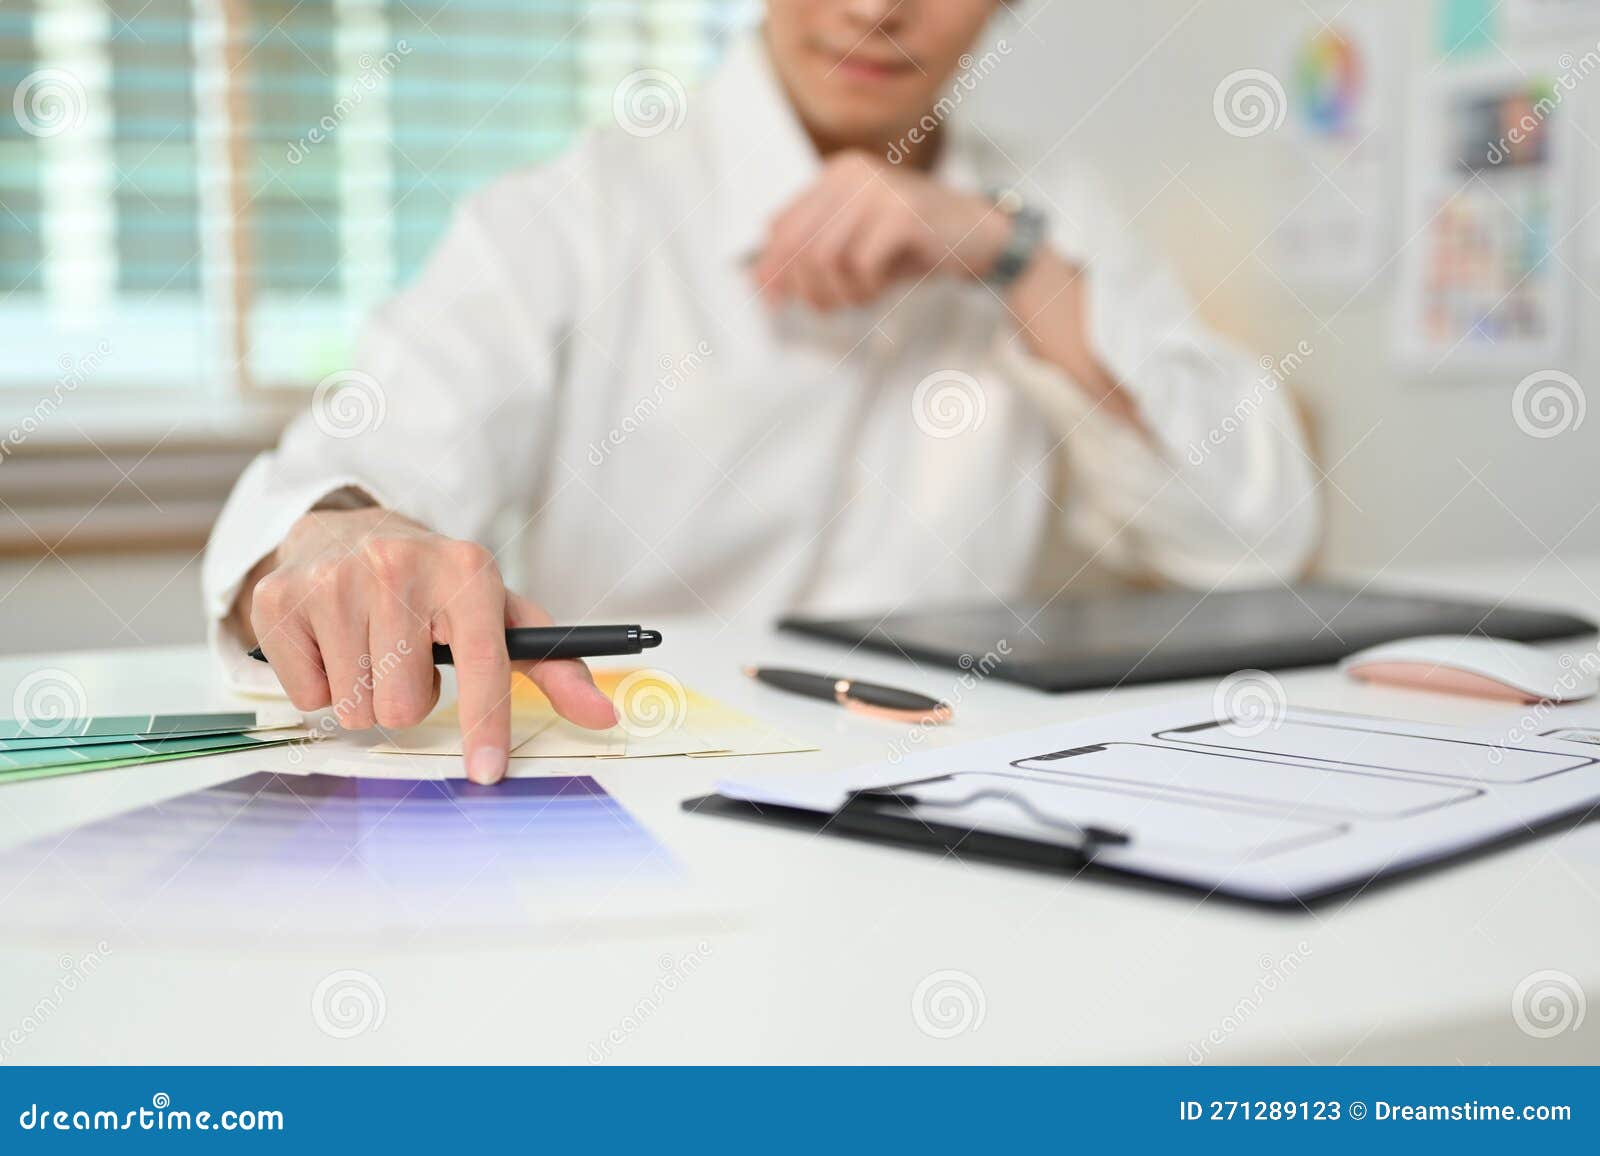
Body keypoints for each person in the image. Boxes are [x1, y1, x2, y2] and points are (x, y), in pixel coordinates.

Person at [203, 0, 1318, 784]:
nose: (877, 7)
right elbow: (328, 488)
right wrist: (330, 541)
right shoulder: (575, 213)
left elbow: (1252, 534)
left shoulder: (1048, 209)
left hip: (962, 806)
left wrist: (1011, 259)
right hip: (643, 800)